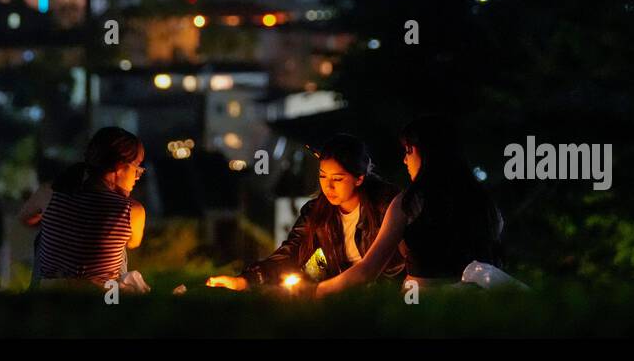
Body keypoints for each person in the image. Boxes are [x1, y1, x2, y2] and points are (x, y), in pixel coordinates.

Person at [315, 116, 505, 297]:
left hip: (420, 306)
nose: (405, 160)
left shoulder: (410, 202)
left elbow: (368, 269)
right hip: (475, 305)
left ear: (427, 152)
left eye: (408, 151)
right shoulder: (482, 200)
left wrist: (318, 290)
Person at [207, 133, 404, 290]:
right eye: (322, 176)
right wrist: (246, 280)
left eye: (337, 179)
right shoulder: (316, 212)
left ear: (359, 178)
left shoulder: (387, 206)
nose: (328, 186)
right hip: (338, 297)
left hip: (383, 296)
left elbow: (397, 265)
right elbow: (291, 253)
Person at [32, 127, 149, 290]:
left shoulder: (52, 194)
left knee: (43, 234)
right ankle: (113, 306)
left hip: (51, 292)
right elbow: (134, 243)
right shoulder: (131, 209)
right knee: (120, 246)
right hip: (105, 297)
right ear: (119, 166)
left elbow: (27, 217)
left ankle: (35, 297)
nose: (137, 176)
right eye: (137, 168)